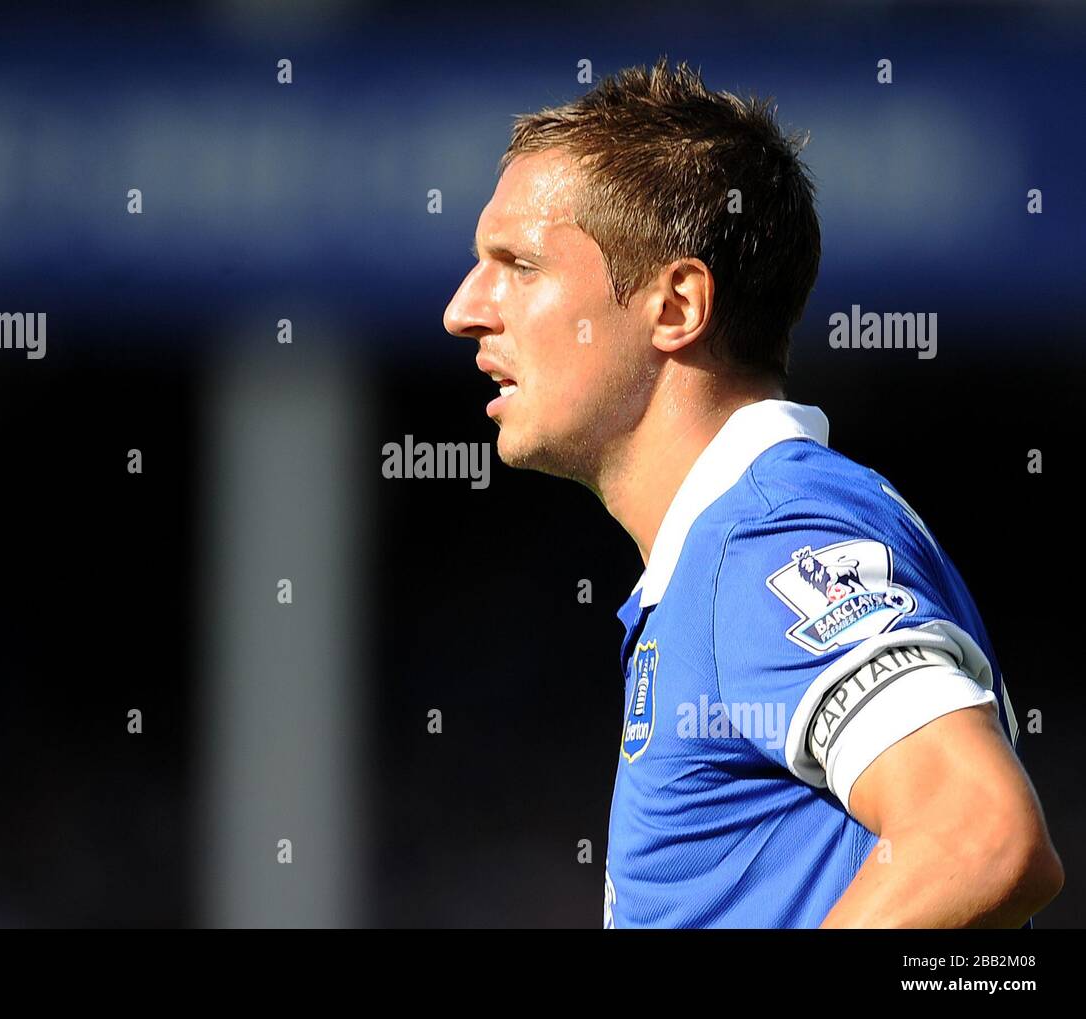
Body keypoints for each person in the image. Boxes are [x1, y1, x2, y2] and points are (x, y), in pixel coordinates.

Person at [442, 59, 1062, 928]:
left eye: (518, 264)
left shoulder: (770, 538)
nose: (465, 308)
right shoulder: (725, 548)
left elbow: (978, 837)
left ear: (677, 305)